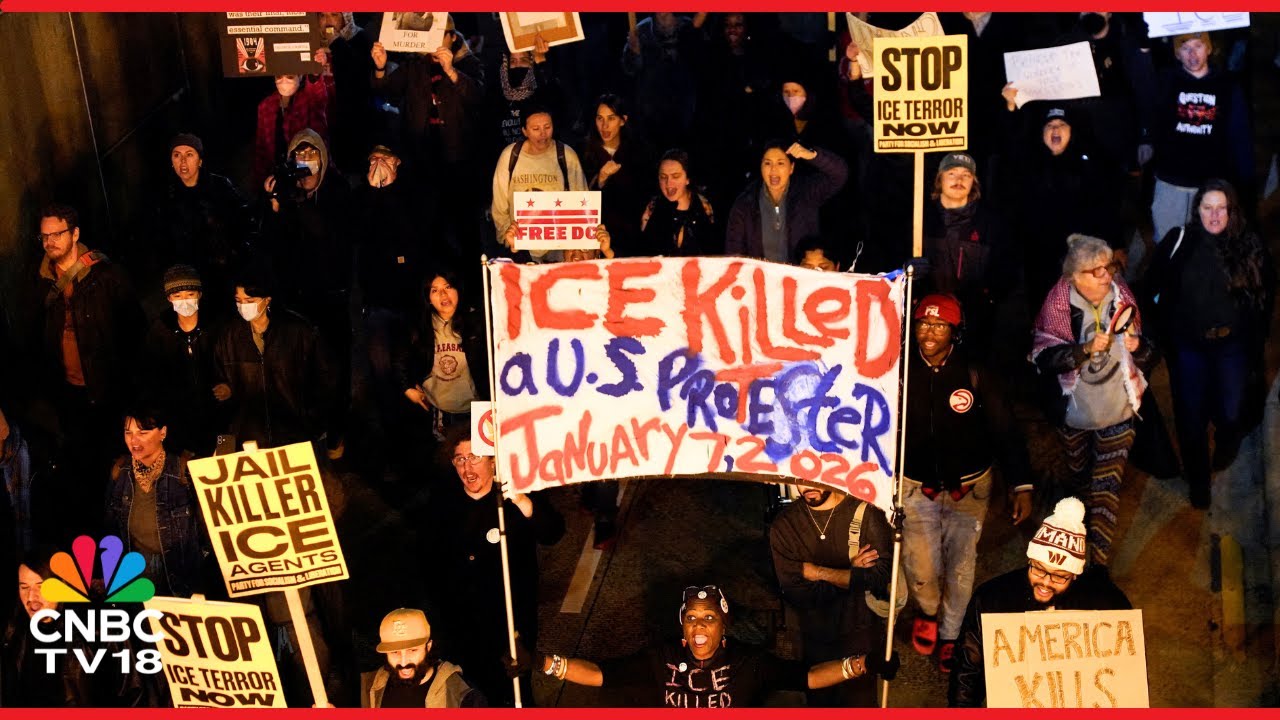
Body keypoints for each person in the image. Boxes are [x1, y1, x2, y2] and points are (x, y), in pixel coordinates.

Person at [902, 294, 1033, 672]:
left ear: (955, 332)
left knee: (961, 566)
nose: (929, 333)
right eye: (924, 324)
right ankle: (926, 613)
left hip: (969, 490)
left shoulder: (976, 373)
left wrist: (1021, 484)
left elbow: (1006, 430)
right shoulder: (900, 371)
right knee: (921, 564)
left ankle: (950, 633)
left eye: (940, 325)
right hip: (916, 487)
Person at [509, 584, 899, 707]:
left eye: (709, 618)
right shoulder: (662, 658)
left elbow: (808, 677)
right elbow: (601, 674)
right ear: (683, 626)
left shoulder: (750, 663)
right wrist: (540, 662)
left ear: (722, 627)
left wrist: (864, 664)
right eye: (693, 617)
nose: (700, 625)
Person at [1144, 179, 1274, 508]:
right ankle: (1199, 483)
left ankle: (1227, 444)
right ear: (1197, 209)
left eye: (1221, 208)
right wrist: (1160, 333)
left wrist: (1254, 346)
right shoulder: (1179, 241)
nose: (1214, 215)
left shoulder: (1249, 245)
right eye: (1207, 208)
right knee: (1190, 417)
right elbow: (1149, 287)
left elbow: (1264, 299)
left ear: (1232, 211)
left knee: (1231, 414)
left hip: (1231, 347)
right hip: (1188, 348)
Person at [1031, 235, 1155, 567]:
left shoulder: (1123, 297)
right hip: (1075, 416)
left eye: (1108, 267)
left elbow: (1149, 352)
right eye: (1094, 270)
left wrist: (1137, 348)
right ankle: (1077, 508)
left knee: (1106, 490)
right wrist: (1082, 351)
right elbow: (1042, 358)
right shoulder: (1058, 306)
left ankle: (1097, 565)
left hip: (1118, 412)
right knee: (1079, 474)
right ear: (1074, 276)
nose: (1105, 276)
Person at [25, 203, 145, 538]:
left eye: (57, 234)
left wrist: (131, 394)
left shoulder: (106, 277)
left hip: (109, 395)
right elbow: (35, 341)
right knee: (83, 476)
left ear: (75, 234)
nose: (49, 242)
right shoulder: (39, 282)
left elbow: (135, 334)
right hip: (69, 397)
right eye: (44, 236)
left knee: (118, 472)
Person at [425, 425, 564, 707]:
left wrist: (524, 502)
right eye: (459, 459)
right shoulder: (443, 504)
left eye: (475, 457)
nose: (467, 466)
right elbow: (430, 562)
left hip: (512, 619)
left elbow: (553, 533)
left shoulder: (515, 498)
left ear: (493, 461)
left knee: (514, 689)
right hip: (463, 622)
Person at [949, 497, 1132, 707]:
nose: (1045, 582)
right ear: (1029, 560)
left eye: (1059, 576)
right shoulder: (992, 599)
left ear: (1074, 575)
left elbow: (1125, 670)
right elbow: (968, 668)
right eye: (1038, 568)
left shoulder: (1107, 603)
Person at [261, 128, 354, 458]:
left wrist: (297, 203)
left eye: (311, 155)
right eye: (299, 156)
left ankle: (337, 434)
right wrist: (274, 207)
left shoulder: (339, 191)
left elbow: (328, 235)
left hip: (332, 297)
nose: (305, 163)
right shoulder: (288, 194)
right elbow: (275, 246)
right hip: (297, 298)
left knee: (334, 368)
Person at [768, 484, 893, 706]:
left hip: (859, 632)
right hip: (812, 638)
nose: (805, 486)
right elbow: (798, 594)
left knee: (861, 704)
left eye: (812, 476)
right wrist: (851, 572)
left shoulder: (866, 513)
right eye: (799, 478)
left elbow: (880, 576)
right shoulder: (784, 526)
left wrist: (818, 572)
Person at [1143, 31, 1252, 245]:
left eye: (1198, 46)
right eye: (1185, 48)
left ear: (1209, 48)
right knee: (1168, 246)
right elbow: (1147, 108)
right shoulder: (1165, 81)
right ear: (1177, 54)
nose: (1193, 54)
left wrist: (1244, 181)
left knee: (1208, 248)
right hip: (1170, 182)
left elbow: (1240, 135)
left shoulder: (1227, 87)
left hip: (1210, 187)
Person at [212, 270, 337, 449]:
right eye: (238, 301)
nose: (243, 306)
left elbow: (325, 377)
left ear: (267, 300)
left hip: (296, 434)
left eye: (250, 301)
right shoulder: (229, 336)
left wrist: (314, 420)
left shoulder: (297, 331)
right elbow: (220, 375)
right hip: (250, 439)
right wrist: (226, 388)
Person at [104, 406, 209, 598]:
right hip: (137, 574)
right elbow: (111, 529)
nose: (133, 440)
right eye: (128, 433)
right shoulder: (120, 471)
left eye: (142, 432)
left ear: (163, 433)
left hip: (182, 576)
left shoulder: (183, 471)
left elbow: (207, 531)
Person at [920, 153, 1017, 350]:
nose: (959, 180)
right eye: (952, 173)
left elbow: (1006, 267)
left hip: (974, 320)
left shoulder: (989, 223)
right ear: (940, 180)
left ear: (974, 181)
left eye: (966, 175)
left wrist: (988, 297)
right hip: (926, 314)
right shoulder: (920, 218)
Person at [148, 133, 249, 307]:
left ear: (200, 161)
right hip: (188, 278)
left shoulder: (221, 188)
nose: (183, 162)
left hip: (223, 273)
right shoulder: (165, 197)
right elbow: (160, 240)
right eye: (177, 155)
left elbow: (242, 224)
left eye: (189, 155)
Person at [395, 268, 489, 442]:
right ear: (428, 298)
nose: (443, 295)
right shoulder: (420, 326)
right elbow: (401, 358)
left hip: (477, 408)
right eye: (435, 290)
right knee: (446, 459)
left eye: (448, 287)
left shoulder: (478, 321)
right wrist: (407, 388)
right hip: (440, 410)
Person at [140, 265, 222, 457]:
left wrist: (227, 386)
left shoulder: (217, 327)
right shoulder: (159, 332)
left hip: (217, 418)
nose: (184, 301)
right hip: (178, 421)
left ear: (199, 294)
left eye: (190, 294)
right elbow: (151, 376)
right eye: (177, 296)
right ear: (169, 298)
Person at [490, 102, 589, 261]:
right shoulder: (510, 156)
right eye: (536, 129)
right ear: (524, 131)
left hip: (560, 245)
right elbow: (500, 205)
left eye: (547, 127)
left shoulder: (566, 155)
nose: (542, 134)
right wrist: (508, 239)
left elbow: (582, 200)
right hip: (522, 245)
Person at [724, 141, 847, 262]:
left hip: (800, 276)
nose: (773, 170)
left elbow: (840, 174)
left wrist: (812, 155)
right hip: (761, 278)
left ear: (791, 168)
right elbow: (734, 252)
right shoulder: (745, 203)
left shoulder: (806, 192)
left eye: (780, 163)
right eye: (767, 163)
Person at [1, 548, 92, 706]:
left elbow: (133, 694)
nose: (31, 597)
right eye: (24, 587)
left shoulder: (96, 632)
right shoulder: (13, 635)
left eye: (41, 587)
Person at [360, 608, 485, 708]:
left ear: (428, 646)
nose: (403, 662)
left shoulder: (462, 695)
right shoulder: (372, 687)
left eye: (413, 650)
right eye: (394, 652)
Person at [621, 13, 708, 151]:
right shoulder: (642, 30)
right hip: (652, 115)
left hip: (685, 113)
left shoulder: (688, 26)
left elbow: (703, 67)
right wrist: (635, 53)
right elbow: (629, 70)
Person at [582, 94, 652, 258]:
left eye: (611, 118)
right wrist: (600, 178)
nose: (604, 125)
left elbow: (647, 192)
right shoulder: (585, 152)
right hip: (598, 237)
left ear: (623, 120)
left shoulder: (639, 151)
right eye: (600, 118)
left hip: (632, 237)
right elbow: (580, 197)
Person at [315, 12, 376, 175]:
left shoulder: (361, 38)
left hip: (349, 124)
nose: (327, 21)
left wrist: (336, 44)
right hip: (318, 118)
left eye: (334, 14)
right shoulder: (311, 41)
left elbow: (358, 75)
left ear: (345, 17)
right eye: (322, 15)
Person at [252, 72, 331, 185]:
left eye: (290, 76)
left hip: (306, 172)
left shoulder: (308, 101)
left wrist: (315, 74)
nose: (284, 81)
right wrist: (260, 182)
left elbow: (318, 97)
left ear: (300, 76)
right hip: (277, 174)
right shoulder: (266, 106)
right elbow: (262, 148)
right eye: (279, 76)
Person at [639, 148, 717, 256]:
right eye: (663, 177)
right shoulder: (652, 207)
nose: (668, 183)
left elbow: (712, 248)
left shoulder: (703, 205)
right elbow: (643, 249)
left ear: (687, 179)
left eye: (675, 176)